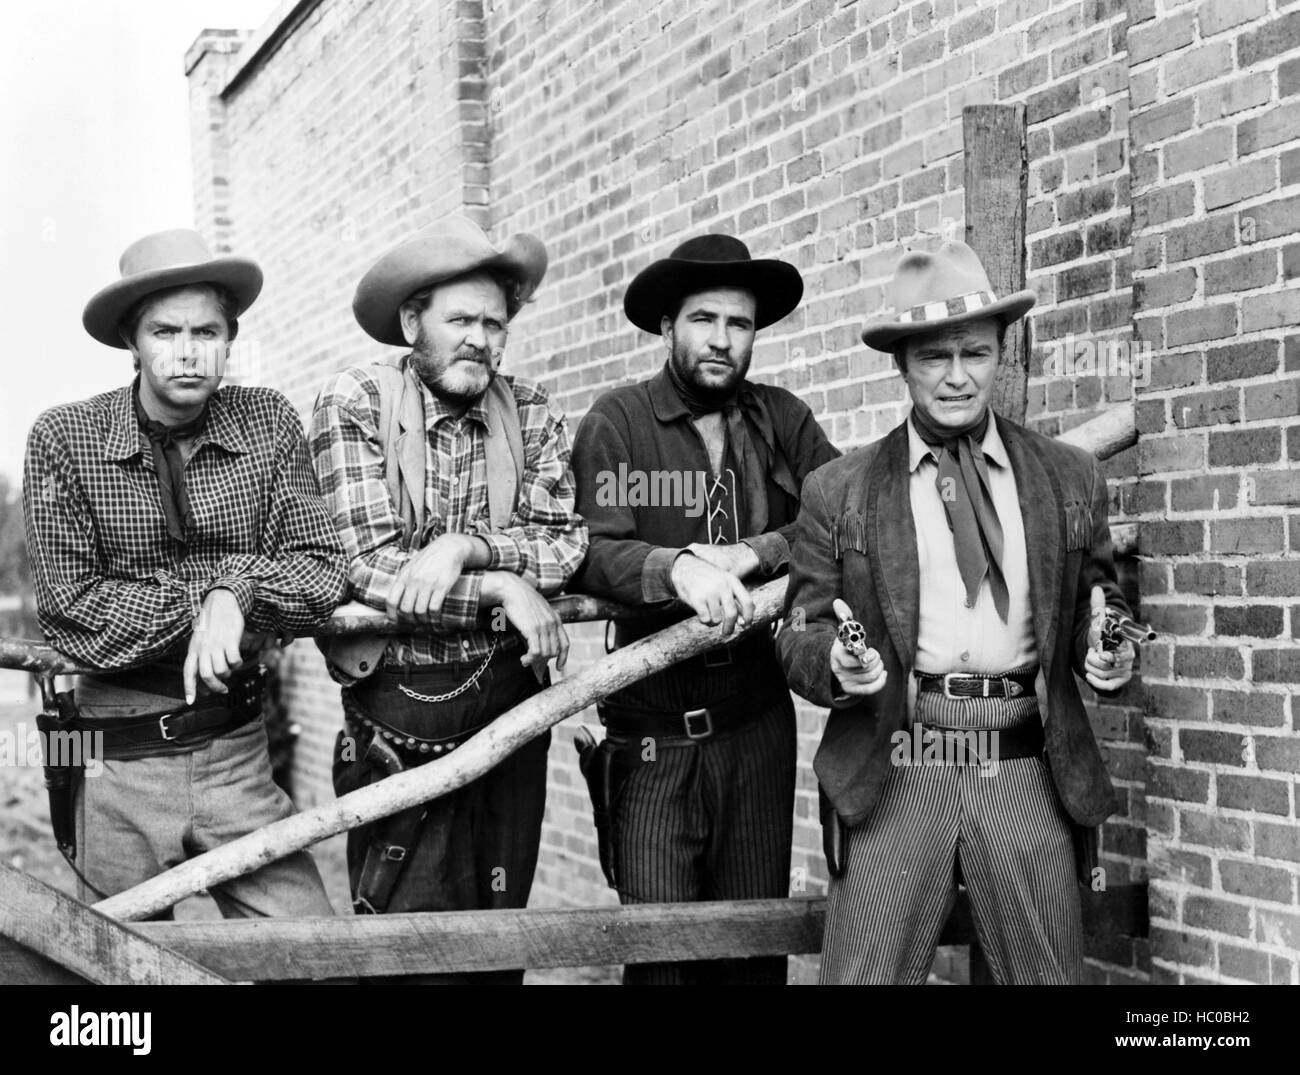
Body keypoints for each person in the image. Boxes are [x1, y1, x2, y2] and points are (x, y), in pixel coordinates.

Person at [777, 240, 1136, 984]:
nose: (956, 375)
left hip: (1020, 758)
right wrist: (837, 665)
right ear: (902, 364)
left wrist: (1105, 649)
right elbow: (798, 634)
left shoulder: (1069, 478)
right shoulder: (838, 490)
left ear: (1001, 352)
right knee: (862, 977)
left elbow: (1094, 608)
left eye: (975, 352)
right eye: (934, 357)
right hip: (902, 754)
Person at [23, 228, 345, 917]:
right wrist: (217, 599)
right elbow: (74, 610)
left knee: (313, 958)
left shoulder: (266, 420)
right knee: (113, 982)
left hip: (238, 751)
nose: (188, 350)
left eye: (207, 330)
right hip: (115, 758)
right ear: (132, 341)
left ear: (230, 339)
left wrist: (240, 591)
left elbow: (321, 569)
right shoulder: (64, 439)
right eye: (165, 331)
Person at [309, 215, 587, 982]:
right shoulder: (356, 400)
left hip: (509, 706)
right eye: (459, 318)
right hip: (397, 714)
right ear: (411, 323)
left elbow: (565, 544)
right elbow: (366, 565)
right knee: (404, 946)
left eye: (494, 322)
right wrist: (502, 583)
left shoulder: (532, 409)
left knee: (499, 944)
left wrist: (470, 548)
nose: (480, 339)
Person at [571, 233, 840, 984]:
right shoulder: (618, 422)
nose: (722, 339)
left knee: (752, 958)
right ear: (667, 327)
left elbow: (843, 515)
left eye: (740, 324)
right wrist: (676, 566)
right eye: (704, 319)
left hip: (755, 724)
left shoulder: (783, 419)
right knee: (661, 963)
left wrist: (757, 551)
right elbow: (591, 546)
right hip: (652, 730)